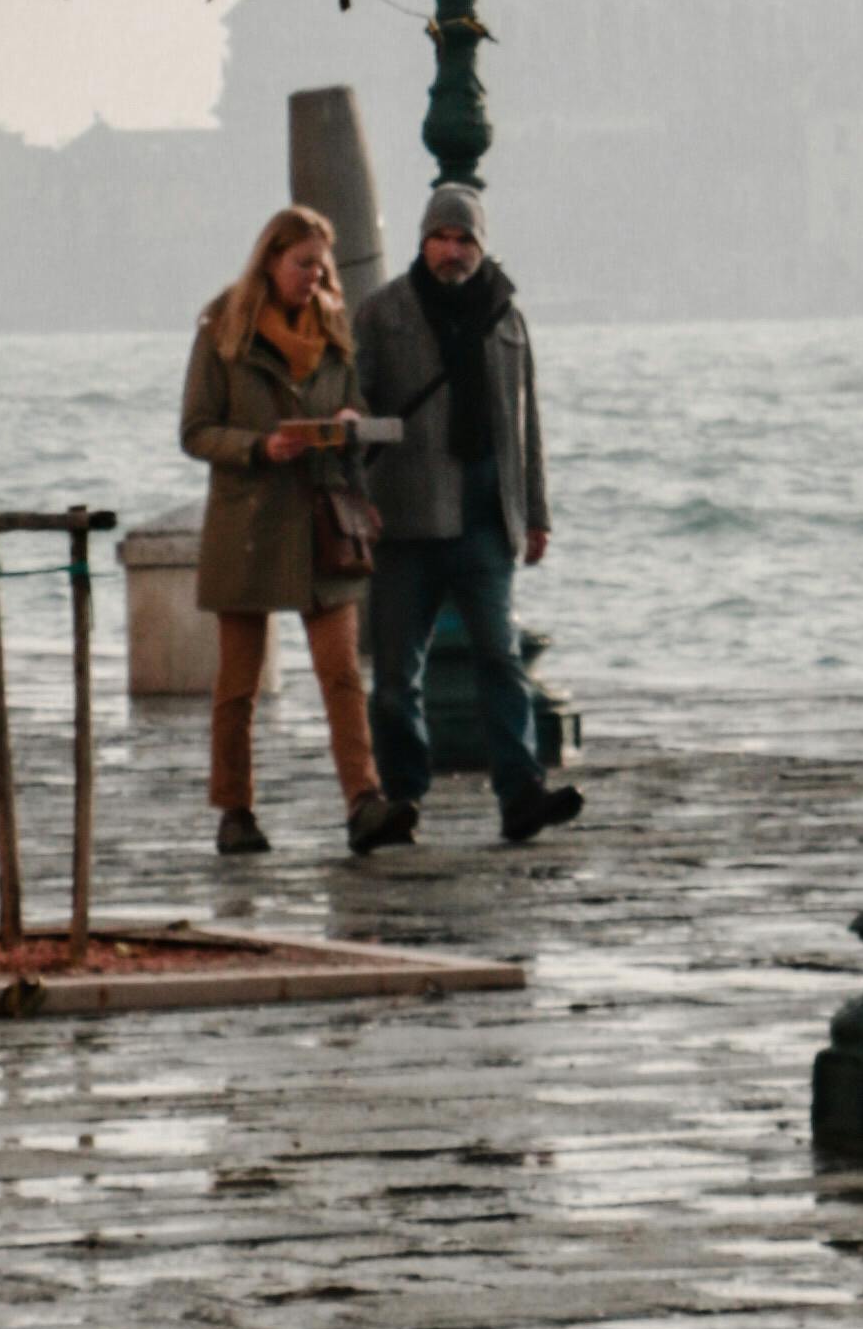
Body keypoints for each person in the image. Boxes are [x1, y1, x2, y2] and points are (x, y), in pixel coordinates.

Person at [353, 183, 582, 851]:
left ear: (481, 246)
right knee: (396, 676)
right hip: (405, 517)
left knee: (500, 660)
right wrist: (352, 495)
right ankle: (402, 798)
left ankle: (520, 795)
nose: (453, 251)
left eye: (465, 240)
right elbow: (355, 410)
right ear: (423, 241)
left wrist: (535, 513)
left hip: (486, 516)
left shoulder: (507, 315)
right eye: (442, 238)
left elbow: (525, 422)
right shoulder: (383, 313)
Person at [181, 205, 395, 861]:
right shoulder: (223, 328)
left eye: (321, 266)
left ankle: (364, 802)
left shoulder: (333, 326)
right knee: (238, 685)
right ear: (270, 259)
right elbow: (195, 431)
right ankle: (235, 811)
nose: (314, 276)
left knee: (341, 676)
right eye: (303, 263)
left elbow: (351, 397)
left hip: (321, 520)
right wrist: (257, 447)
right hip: (249, 523)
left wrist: (351, 422)